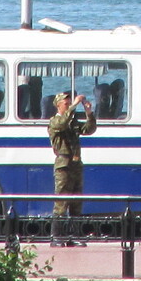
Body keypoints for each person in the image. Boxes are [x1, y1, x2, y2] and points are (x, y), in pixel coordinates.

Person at [47, 89, 97, 239]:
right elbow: (62, 124)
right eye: (66, 104)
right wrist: (74, 105)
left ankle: (75, 236)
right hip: (63, 165)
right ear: (58, 105)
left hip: (75, 165)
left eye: (70, 103)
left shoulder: (71, 121)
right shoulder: (55, 121)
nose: (69, 106)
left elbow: (89, 129)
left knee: (76, 201)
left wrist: (89, 113)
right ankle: (57, 236)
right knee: (61, 201)